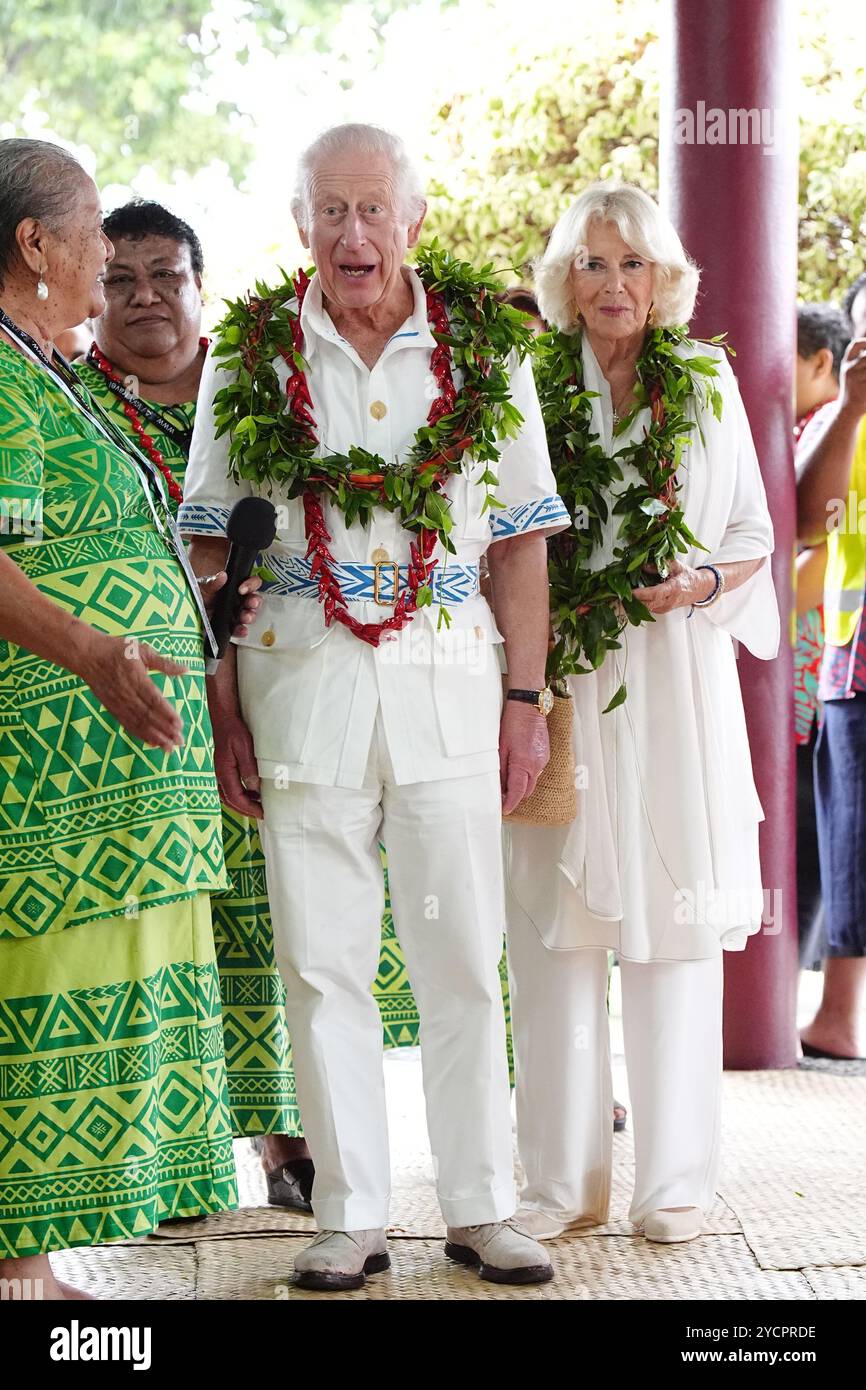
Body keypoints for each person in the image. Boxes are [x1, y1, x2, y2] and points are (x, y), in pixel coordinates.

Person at [181, 122, 568, 1290]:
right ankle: (344, 1214)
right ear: (300, 225)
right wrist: (224, 711)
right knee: (322, 963)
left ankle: (480, 1207)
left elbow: (521, 541)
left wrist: (524, 698)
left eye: (372, 211)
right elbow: (211, 547)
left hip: (452, 683)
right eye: (329, 213)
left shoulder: (483, 348)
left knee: (461, 956)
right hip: (296, 688)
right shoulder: (248, 352)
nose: (353, 235)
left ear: (412, 219)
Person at [0, 139, 259, 1296]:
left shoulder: (41, 365)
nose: (110, 256)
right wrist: (96, 648)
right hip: (50, 769)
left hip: (109, 769)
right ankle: (18, 1266)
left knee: (99, 997)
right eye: (96, 231)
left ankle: (34, 1260)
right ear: (34, 243)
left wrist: (175, 609)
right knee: (44, 995)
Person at [506, 182, 778, 1244]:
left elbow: (751, 531)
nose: (612, 283)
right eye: (589, 262)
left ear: (662, 277)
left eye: (630, 264)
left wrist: (699, 586)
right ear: (561, 281)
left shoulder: (704, 380)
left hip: (672, 680)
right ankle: (559, 1186)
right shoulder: (527, 386)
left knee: (670, 930)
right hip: (560, 680)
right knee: (552, 933)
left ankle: (674, 1184)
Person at [74, 198, 310, 1208]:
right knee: (170, 923)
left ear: (198, 286)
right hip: (137, 710)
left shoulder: (261, 394)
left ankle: (290, 1139)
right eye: (119, 279)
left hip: (271, 684)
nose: (143, 299)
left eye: (165, 275)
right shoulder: (66, 400)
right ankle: (175, 1159)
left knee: (273, 912)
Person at [796, 275, 866, 1061]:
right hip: (856, 650)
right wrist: (850, 406)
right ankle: (840, 1014)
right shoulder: (842, 419)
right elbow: (808, 518)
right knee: (850, 836)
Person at [793, 305, 849, 971]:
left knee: (809, 836)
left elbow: (827, 548)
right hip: (817, 670)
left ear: (819, 362)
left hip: (819, 665)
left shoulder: (832, 432)